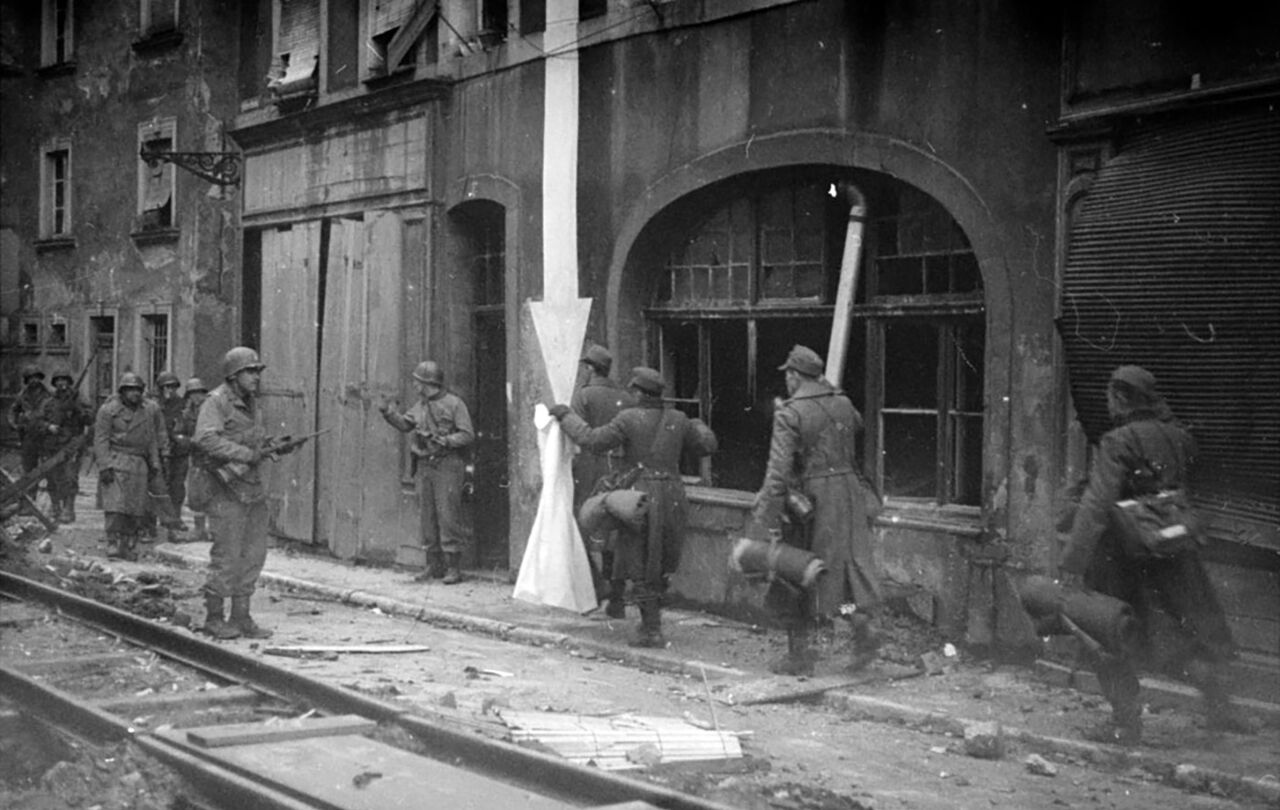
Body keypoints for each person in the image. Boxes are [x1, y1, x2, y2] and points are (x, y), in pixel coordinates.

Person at [1060, 364, 1251, 745]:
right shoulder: (1177, 436)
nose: (1108, 404)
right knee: (1185, 632)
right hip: (1171, 549)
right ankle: (1220, 706)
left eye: (1111, 396)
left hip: (1122, 557)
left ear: (1121, 398)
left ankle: (1125, 724)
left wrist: (1073, 561)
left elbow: (1098, 503)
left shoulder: (1118, 441)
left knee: (1108, 630)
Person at [551, 367, 717, 648]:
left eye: (634, 391)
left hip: (640, 496)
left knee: (638, 558)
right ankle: (651, 623)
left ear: (639, 393)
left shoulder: (628, 418)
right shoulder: (678, 419)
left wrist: (566, 416)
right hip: (673, 495)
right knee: (661, 559)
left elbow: (593, 440)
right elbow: (706, 447)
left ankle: (651, 629)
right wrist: (697, 424)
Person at [747, 345, 883, 676]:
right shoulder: (843, 402)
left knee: (795, 571)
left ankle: (800, 656)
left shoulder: (789, 412)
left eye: (788, 375)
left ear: (795, 376)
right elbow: (856, 425)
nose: (787, 381)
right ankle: (862, 625)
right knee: (845, 573)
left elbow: (777, 474)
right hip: (848, 495)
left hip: (811, 501)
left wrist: (761, 521)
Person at [192, 347, 280, 640]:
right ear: (233, 375)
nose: (256, 377)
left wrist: (269, 446)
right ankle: (214, 618)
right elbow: (205, 439)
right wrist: (247, 454)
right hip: (224, 490)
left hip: (251, 488)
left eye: (257, 371)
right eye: (250, 371)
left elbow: (252, 439)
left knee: (253, 554)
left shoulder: (253, 403)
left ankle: (241, 616)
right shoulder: (216, 401)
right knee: (227, 556)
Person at [378, 360, 475, 585]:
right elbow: (405, 424)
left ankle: (453, 568)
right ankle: (433, 566)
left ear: (426, 383)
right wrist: (388, 413)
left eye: (417, 381)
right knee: (427, 518)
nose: (414, 385)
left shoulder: (454, 404)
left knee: (448, 516)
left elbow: (467, 434)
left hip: (448, 465)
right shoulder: (420, 405)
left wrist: (446, 440)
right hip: (425, 466)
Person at [569, 344, 636, 617]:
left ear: (589, 368)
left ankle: (597, 587)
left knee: (583, 525)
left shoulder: (583, 396)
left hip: (590, 468)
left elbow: (577, 434)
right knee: (615, 531)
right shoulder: (627, 397)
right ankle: (617, 597)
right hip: (620, 469)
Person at [94, 372, 164, 561]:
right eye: (130, 390)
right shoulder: (108, 411)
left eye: (138, 390)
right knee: (115, 506)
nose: (135, 394)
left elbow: (151, 439)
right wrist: (104, 465)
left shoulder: (147, 411)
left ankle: (128, 544)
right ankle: (113, 542)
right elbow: (101, 439)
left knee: (136, 508)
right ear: (122, 391)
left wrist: (154, 463)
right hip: (116, 460)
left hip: (139, 464)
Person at [33, 365, 92, 523]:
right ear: (54, 383)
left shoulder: (79, 400)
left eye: (64, 380)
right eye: (58, 380)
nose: (61, 383)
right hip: (51, 445)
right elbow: (37, 421)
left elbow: (89, 419)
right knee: (52, 478)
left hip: (72, 444)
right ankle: (55, 506)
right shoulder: (48, 402)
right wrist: (48, 427)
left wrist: (77, 409)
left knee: (70, 477)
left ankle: (69, 508)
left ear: (69, 382)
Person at [154, 372, 192, 542]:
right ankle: (152, 522)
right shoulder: (154, 405)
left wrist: (182, 438)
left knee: (177, 488)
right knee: (157, 487)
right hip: (159, 451)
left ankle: (175, 518)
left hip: (178, 452)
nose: (170, 390)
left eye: (173, 387)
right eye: (166, 387)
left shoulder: (181, 404)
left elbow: (186, 426)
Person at [8, 363, 52, 479]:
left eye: (36, 377)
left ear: (40, 378)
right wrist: (14, 425)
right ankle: (31, 490)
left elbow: (54, 412)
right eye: (30, 378)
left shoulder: (49, 395)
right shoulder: (22, 396)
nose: (34, 380)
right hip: (28, 435)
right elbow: (13, 411)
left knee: (49, 466)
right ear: (27, 380)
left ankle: (51, 489)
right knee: (29, 467)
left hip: (45, 434)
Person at [182, 378, 211, 542]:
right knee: (196, 495)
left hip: (212, 456)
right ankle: (199, 530)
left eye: (198, 393)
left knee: (212, 494)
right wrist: (186, 440)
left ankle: (214, 530)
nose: (196, 397)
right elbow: (181, 431)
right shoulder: (188, 413)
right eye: (192, 394)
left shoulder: (212, 409)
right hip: (196, 457)